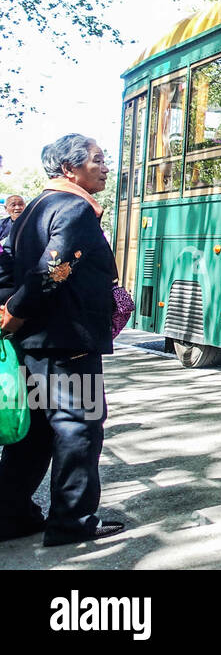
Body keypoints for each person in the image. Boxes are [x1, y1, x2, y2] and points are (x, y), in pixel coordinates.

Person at [0, 135, 125, 546]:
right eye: (97, 160)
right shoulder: (73, 208)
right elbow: (54, 270)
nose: (106, 167)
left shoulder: (35, 206)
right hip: (68, 342)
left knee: (35, 433)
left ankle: (11, 515)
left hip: (40, 345)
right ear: (69, 169)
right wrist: (14, 313)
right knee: (79, 429)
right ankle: (72, 521)